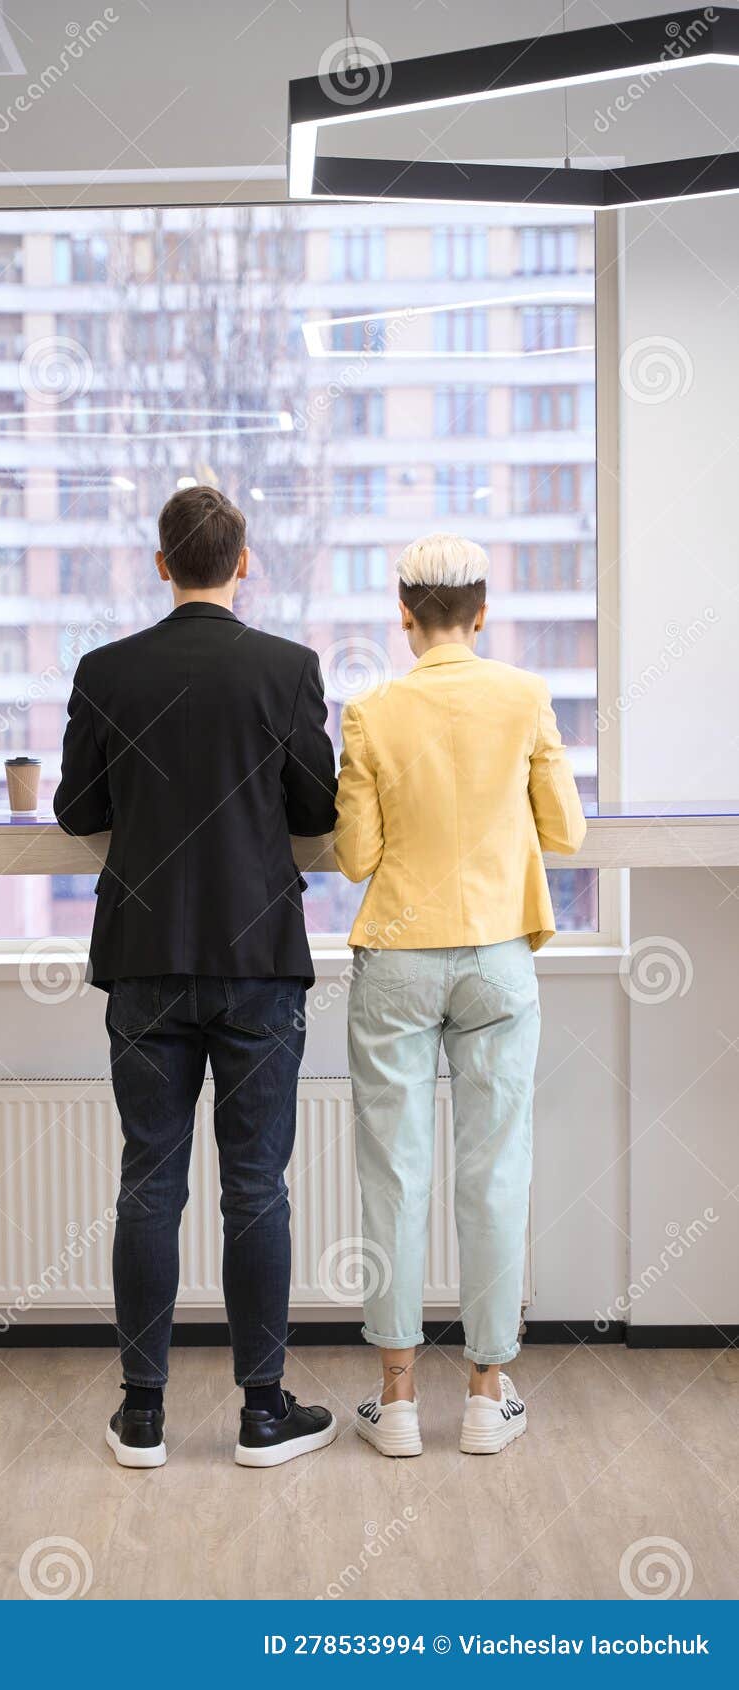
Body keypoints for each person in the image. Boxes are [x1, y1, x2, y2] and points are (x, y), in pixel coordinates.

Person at [54, 484, 339, 1470]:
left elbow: (75, 808)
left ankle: (142, 1415)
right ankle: (263, 1413)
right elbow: (315, 810)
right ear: (243, 560)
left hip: (143, 957)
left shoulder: (105, 671)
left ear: (161, 562)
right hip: (258, 958)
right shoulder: (287, 669)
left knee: (149, 1182)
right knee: (256, 1185)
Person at [334, 533, 586, 1458]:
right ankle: (487, 1393)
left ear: (403, 616)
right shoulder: (524, 696)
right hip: (495, 958)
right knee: (494, 1168)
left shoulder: (370, 712)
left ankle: (396, 1401)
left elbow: (356, 857)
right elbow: (564, 828)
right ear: (483, 613)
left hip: (397, 956)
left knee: (393, 1174)